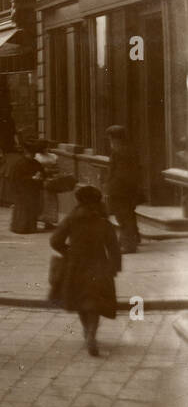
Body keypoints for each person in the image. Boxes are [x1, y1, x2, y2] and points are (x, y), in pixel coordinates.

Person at [50, 185, 121, 356]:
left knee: (81, 300)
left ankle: (86, 331)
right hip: (98, 266)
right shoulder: (104, 222)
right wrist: (114, 267)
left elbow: (55, 240)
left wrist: (67, 251)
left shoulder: (71, 219)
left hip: (75, 265)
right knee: (94, 302)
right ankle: (91, 333)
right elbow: (113, 248)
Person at [104, 125, 143, 254]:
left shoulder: (118, 151)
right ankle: (133, 239)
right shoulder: (131, 149)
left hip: (120, 189)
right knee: (129, 214)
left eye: (110, 138)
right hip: (130, 188)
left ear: (113, 138)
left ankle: (129, 245)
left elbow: (118, 173)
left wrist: (110, 189)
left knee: (123, 216)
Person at [8, 139, 43, 234]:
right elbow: (15, 178)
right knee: (23, 209)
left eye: (34, 154)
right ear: (26, 153)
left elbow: (41, 172)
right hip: (22, 190)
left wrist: (40, 176)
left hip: (33, 189)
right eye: (31, 154)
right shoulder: (19, 164)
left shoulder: (36, 163)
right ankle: (21, 227)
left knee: (32, 208)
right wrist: (31, 178)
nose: (33, 156)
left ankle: (31, 227)